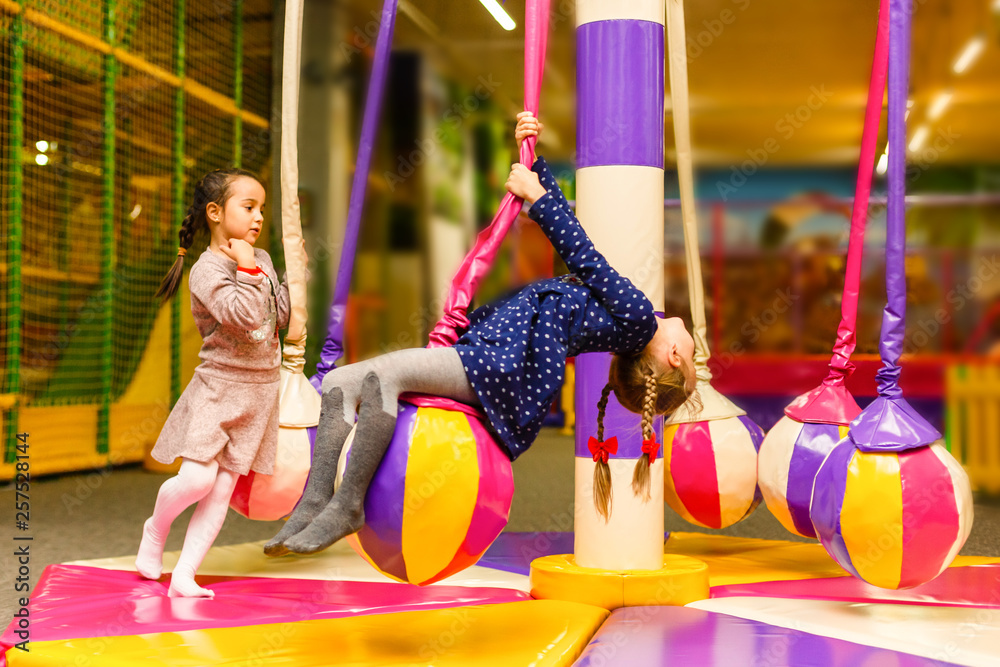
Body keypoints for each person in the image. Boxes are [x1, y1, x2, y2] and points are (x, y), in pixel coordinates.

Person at [264, 112, 696, 557]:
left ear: (676, 357)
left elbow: (585, 256)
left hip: (499, 369)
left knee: (382, 378)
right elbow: (578, 246)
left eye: (694, 349)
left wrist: (537, 199)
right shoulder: (623, 322)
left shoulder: (640, 318)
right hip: (490, 358)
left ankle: (347, 503)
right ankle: (315, 500)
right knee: (338, 382)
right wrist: (534, 160)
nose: (694, 339)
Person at [136, 168, 292, 598]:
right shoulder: (206, 270)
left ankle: (185, 574)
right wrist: (245, 267)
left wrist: (289, 290)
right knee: (196, 481)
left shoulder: (261, 259)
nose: (259, 217)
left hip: (259, 391)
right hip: (219, 387)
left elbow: (273, 321)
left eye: (262, 209)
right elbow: (241, 317)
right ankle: (155, 529)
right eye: (248, 207)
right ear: (215, 212)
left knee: (221, 489)